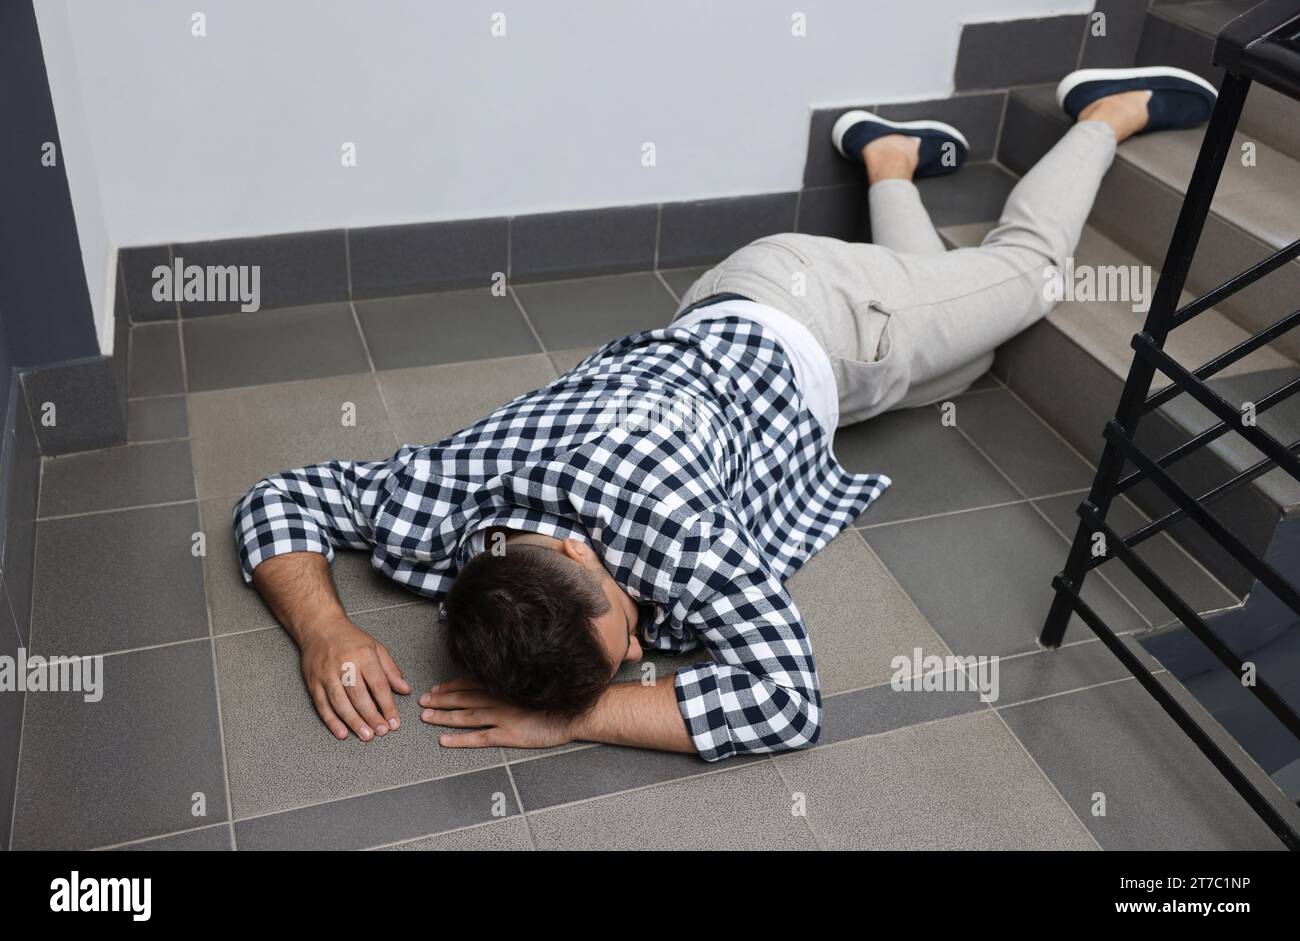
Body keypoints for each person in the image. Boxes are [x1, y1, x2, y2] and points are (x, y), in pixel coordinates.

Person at [233, 66, 1217, 761]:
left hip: (835, 325)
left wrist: (585, 720)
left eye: (619, 635)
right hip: (734, 304)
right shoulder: (450, 503)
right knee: (969, 360)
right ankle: (886, 159)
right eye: (625, 654)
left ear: (580, 555)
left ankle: (1104, 110)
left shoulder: (675, 534)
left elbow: (787, 702)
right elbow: (282, 499)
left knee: (1023, 276)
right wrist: (322, 628)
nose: (634, 654)